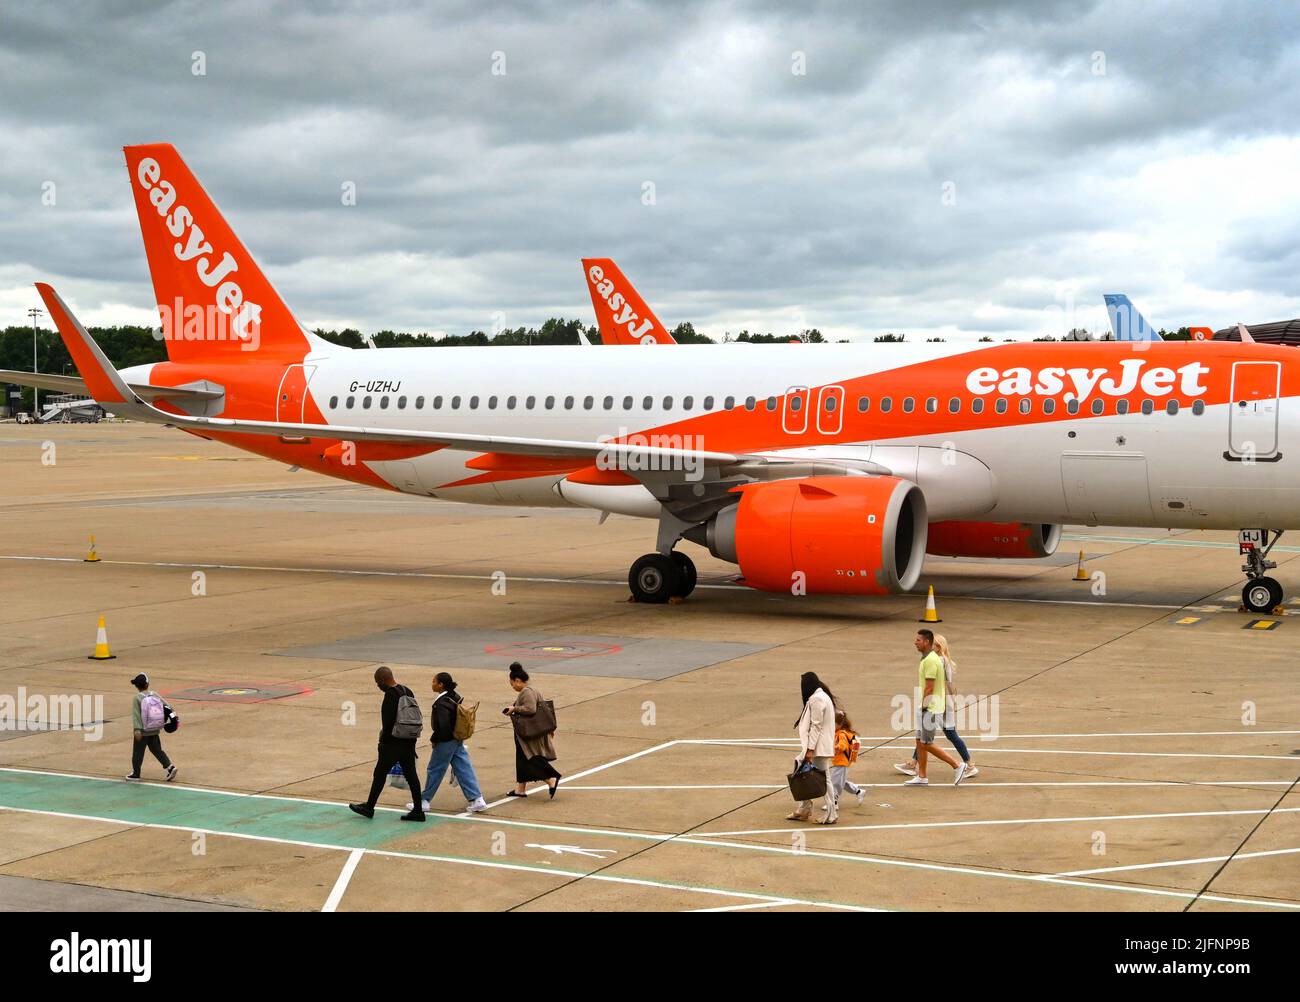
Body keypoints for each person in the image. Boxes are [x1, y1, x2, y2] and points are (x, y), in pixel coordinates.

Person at [894, 633, 978, 780]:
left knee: (936, 735)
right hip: (943, 702)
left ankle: (968, 765)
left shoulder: (938, 660)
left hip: (940, 703)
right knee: (927, 735)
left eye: (933, 644)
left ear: (938, 647)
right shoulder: (943, 660)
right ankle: (914, 763)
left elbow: (945, 684)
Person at [350, 666, 425, 821]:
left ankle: (369, 808)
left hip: (392, 744)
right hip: (409, 742)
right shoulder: (407, 691)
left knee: (379, 774)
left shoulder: (391, 695)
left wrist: (382, 742)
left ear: (384, 680)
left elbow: (388, 723)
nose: (378, 686)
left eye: (378, 683)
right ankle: (418, 811)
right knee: (412, 776)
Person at [406, 672, 488, 814]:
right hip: (457, 738)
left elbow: (443, 726)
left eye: (434, 682)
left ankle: (424, 801)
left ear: (440, 685)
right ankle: (477, 799)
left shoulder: (441, 703)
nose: (432, 684)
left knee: (435, 769)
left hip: (446, 740)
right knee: (463, 768)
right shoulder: (453, 696)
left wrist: (435, 740)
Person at [504, 663, 561, 798]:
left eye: (512, 684)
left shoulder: (527, 691)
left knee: (531, 758)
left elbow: (531, 709)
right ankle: (520, 789)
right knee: (522, 759)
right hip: (528, 733)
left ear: (517, 680)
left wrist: (515, 709)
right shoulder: (532, 691)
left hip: (529, 733)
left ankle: (551, 778)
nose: (512, 687)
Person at [789, 671, 838, 824]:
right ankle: (804, 808)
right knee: (802, 772)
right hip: (817, 746)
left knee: (823, 779)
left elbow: (816, 725)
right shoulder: (821, 696)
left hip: (817, 747)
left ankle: (831, 813)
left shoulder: (817, 699)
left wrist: (810, 750)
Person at [125, 673, 177, 782]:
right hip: (155, 728)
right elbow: (168, 707)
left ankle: (136, 773)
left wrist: (137, 730)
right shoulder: (155, 694)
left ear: (136, 686)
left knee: (138, 752)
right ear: (147, 684)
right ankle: (170, 767)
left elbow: (136, 716)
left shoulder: (137, 698)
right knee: (157, 750)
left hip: (143, 731)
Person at [831, 709, 866, 807]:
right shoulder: (839, 732)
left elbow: (843, 745)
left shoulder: (841, 734)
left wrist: (837, 747)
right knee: (841, 781)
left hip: (841, 762)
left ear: (839, 724)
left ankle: (834, 802)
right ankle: (858, 791)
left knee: (834, 782)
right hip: (840, 762)